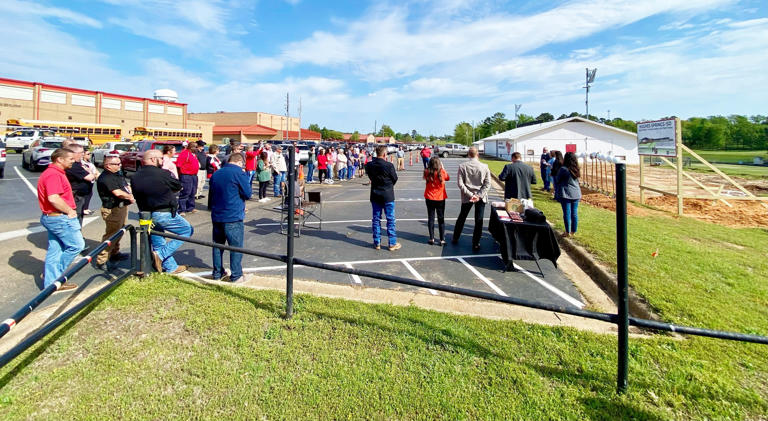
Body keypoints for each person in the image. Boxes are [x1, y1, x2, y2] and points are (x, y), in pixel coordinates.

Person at [132, 149, 192, 274]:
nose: (162, 161)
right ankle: (160, 255)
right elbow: (178, 186)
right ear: (154, 159)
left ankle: (171, 268)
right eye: (161, 158)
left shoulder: (135, 176)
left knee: (158, 240)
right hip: (163, 212)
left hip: (146, 214)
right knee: (187, 230)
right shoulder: (162, 173)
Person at [37, 148, 84, 291]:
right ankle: (54, 277)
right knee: (77, 245)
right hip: (59, 218)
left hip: (53, 217)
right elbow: (53, 198)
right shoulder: (53, 175)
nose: (73, 161)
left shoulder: (53, 173)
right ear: (60, 159)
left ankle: (51, 283)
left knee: (55, 250)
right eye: (70, 158)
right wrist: (69, 211)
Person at [208, 153, 252, 282]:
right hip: (232, 214)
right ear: (239, 162)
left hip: (217, 214)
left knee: (217, 246)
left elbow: (211, 194)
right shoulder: (239, 173)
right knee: (235, 247)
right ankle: (236, 275)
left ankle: (217, 273)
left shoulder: (217, 173)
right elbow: (248, 193)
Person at [94, 155, 134, 269]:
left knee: (120, 231)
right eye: (116, 164)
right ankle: (102, 260)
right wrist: (130, 197)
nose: (119, 165)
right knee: (111, 234)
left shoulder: (117, 175)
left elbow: (125, 186)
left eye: (120, 163)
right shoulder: (106, 177)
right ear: (108, 165)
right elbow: (117, 192)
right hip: (112, 209)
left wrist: (130, 192)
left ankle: (115, 253)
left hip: (121, 208)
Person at [451, 147, 490, 252]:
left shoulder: (462, 166)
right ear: (477, 154)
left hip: (467, 196)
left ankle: (455, 237)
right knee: (479, 220)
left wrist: (470, 195)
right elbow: (487, 184)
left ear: (468, 154)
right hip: (480, 197)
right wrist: (479, 195)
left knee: (462, 217)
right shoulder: (485, 166)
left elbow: (460, 184)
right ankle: (476, 243)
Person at [365, 145, 400, 251]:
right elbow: (394, 178)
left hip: (375, 194)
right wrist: (388, 185)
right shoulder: (389, 165)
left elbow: (370, 176)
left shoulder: (369, 165)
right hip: (387, 194)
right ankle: (392, 243)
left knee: (376, 219)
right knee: (390, 219)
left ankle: (377, 242)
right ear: (385, 154)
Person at [64, 144, 96, 228]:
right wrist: (91, 172)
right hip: (76, 196)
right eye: (81, 152)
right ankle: (75, 237)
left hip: (80, 196)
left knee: (79, 216)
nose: (83, 154)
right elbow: (90, 177)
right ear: (74, 153)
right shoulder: (74, 166)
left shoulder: (78, 164)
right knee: (76, 218)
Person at [424, 156, 450, 245]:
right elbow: (448, 178)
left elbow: (425, 176)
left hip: (429, 197)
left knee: (431, 218)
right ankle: (442, 239)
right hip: (440, 198)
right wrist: (443, 168)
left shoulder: (427, 172)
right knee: (441, 218)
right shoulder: (442, 172)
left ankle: (431, 238)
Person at [555, 152, 582, 237]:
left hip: (566, 193)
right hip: (576, 193)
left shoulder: (563, 169)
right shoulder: (577, 168)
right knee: (574, 213)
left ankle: (567, 232)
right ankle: (573, 231)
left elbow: (558, 179)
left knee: (567, 213)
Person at [175, 142, 199, 215]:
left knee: (192, 192)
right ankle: (181, 209)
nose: (197, 149)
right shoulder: (185, 154)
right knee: (186, 192)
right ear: (191, 147)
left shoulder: (193, 155)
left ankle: (190, 207)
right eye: (195, 147)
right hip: (186, 175)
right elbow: (179, 165)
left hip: (194, 175)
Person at [81, 149, 99, 215]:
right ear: (83, 155)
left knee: (89, 194)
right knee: (86, 195)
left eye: (90, 154)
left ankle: (86, 208)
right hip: (86, 181)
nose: (90, 155)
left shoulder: (90, 163)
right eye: (88, 154)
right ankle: (84, 209)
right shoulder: (82, 163)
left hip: (92, 180)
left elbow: (95, 170)